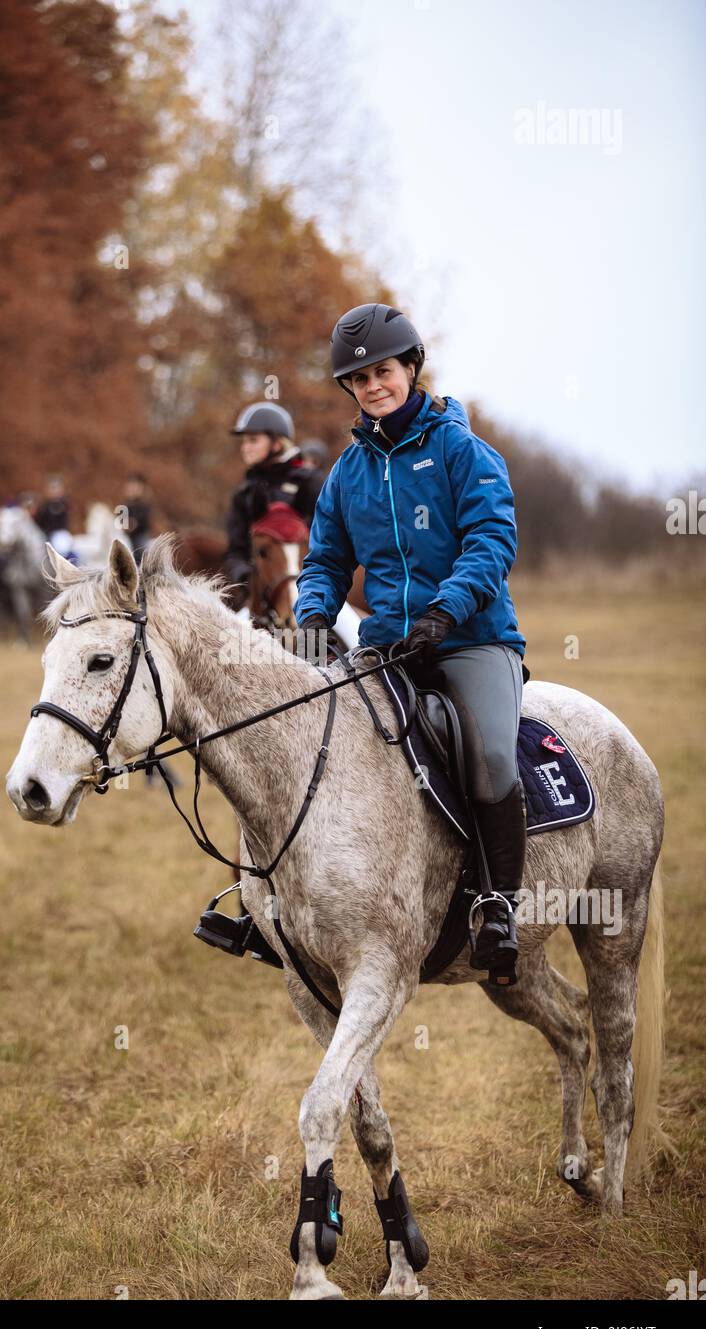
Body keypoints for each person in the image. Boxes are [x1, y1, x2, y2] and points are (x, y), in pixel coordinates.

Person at [294, 302, 528, 983]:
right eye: (360, 379)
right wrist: (312, 615)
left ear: (412, 369)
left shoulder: (463, 451)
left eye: (384, 372)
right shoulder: (347, 473)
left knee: (487, 750)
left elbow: (492, 542)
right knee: (322, 738)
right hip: (387, 647)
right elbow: (325, 561)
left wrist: (444, 612)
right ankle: (292, 905)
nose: (374, 387)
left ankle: (496, 904)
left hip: (471, 639)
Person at [223, 403, 323, 609]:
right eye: (244, 441)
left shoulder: (309, 483)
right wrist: (243, 575)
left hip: (316, 590)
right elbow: (235, 551)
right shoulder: (244, 494)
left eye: (253, 440)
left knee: (350, 629)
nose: (245, 447)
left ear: (277, 443)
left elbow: (329, 540)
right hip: (263, 595)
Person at [117, 473, 153, 560]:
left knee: (142, 549)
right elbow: (120, 519)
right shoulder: (124, 505)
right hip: (126, 536)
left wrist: (135, 524)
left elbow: (144, 520)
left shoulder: (144, 504)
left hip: (140, 535)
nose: (132, 489)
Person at [34, 475, 71, 540]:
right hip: (47, 535)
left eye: (57, 488)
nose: (55, 491)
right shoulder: (44, 507)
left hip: (60, 535)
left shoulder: (63, 505)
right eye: (52, 488)